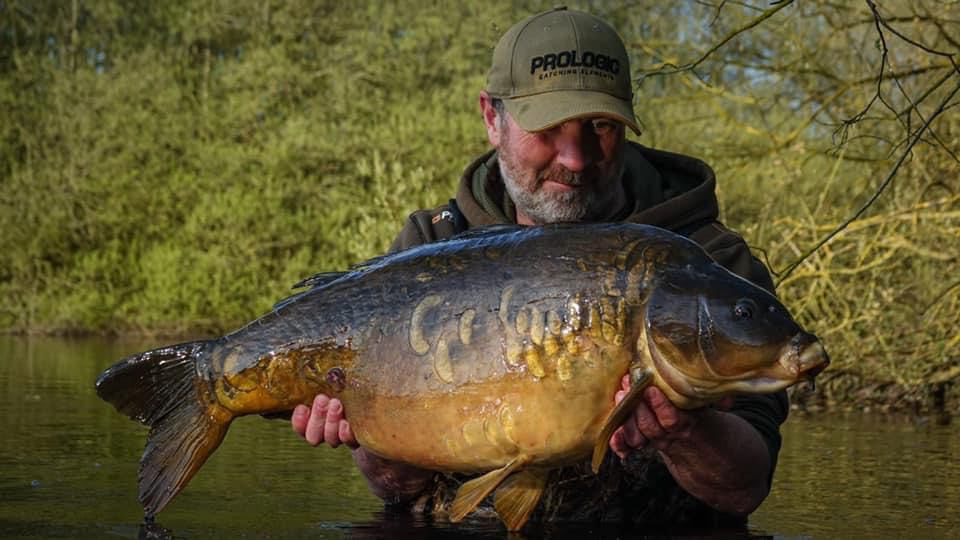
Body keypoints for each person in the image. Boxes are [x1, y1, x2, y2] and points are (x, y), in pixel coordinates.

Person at [291, 7, 787, 528]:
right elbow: (396, 489)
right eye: (548, 127)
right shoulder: (430, 247)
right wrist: (366, 439)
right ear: (491, 118)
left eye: (600, 125)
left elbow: (744, 489)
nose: (575, 157)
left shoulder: (706, 264)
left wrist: (687, 433)